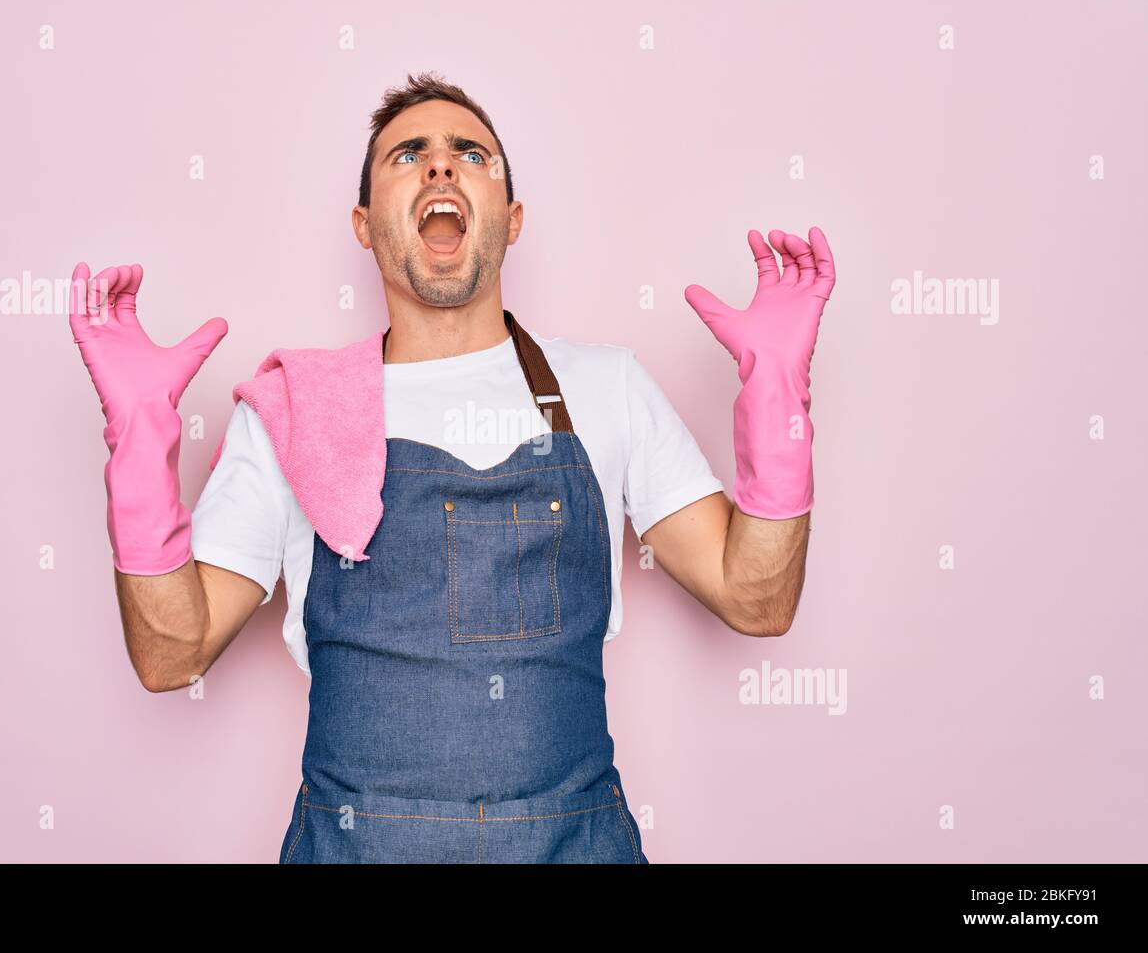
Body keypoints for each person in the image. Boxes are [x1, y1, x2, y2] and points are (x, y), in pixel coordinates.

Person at [68, 72, 836, 864]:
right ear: (364, 225)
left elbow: (757, 601)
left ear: (511, 217)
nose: (441, 167)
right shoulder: (295, 411)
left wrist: (778, 399)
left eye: (472, 153)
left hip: (576, 846)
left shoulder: (606, 387)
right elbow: (171, 654)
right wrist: (137, 442)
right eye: (408, 155)